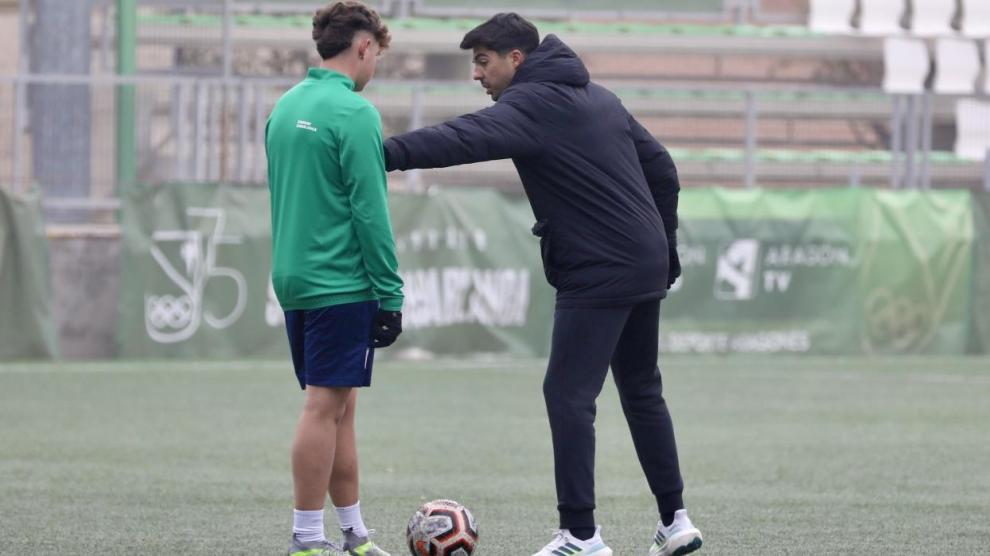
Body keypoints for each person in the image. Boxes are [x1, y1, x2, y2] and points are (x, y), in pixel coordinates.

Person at [383, 13, 702, 556]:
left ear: (517, 60)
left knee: (569, 395)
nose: (476, 75)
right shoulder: (599, 97)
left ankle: (581, 535)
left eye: (483, 63)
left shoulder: (531, 105)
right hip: (641, 262)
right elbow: (664, 169)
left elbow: (461, 138)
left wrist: (381, 152)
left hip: (598, 269)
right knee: (642, 390)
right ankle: (676, 523)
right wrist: (664, 247)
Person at [265, 2, 403, 555]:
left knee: (341, 408)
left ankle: (354, 535)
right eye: (378, 55)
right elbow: (371, 213)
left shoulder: (285, 106)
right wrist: (390, 293)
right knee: (324, 408)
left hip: (296, 279)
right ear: (364, 46)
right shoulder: (354, 111)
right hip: (342, 282)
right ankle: (306, 540)